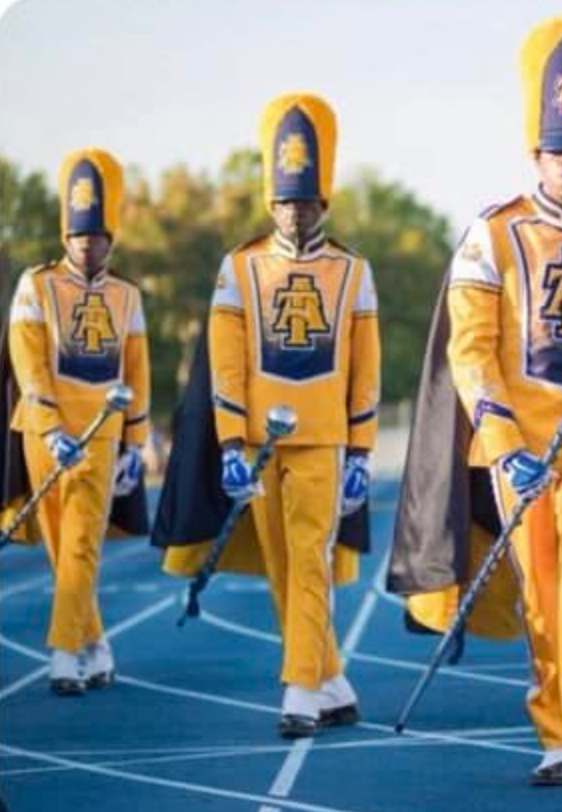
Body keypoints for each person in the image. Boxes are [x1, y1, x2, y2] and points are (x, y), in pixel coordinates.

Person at [388, 17, 562, 798]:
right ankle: (559, 734)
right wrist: (503, 444)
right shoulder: (491, 235)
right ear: (535, 154)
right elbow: (471, 350)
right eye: (559, 153)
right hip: (520, 453)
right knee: (541, 600)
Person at [152, 93, 380, 738]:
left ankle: (299, 691)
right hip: (255, 444)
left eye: (306, 201)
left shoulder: (352, 271)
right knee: (283, 567)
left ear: (323, 203)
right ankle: (331, 679)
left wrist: (360, 448)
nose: (295, 212)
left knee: (310, 561)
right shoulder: (239, 267)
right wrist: (229, 443)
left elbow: (366, 368)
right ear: (270, 202)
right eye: (285, 201)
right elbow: (226, 366)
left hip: (324, 441)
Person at [1, 149, 150, 695]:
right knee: (62, 551)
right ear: (65, 237)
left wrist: (135, 441)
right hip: (45, 435)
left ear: (111, 239)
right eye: (78, 237)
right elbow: (27, 361)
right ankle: (97, 645)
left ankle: (63, 655)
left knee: (83, 544)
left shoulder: (127, 296)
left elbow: (138, 371)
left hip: (102, 436)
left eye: (96, 237)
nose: (87, 246)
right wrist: (49, 427)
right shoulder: (34, 285)